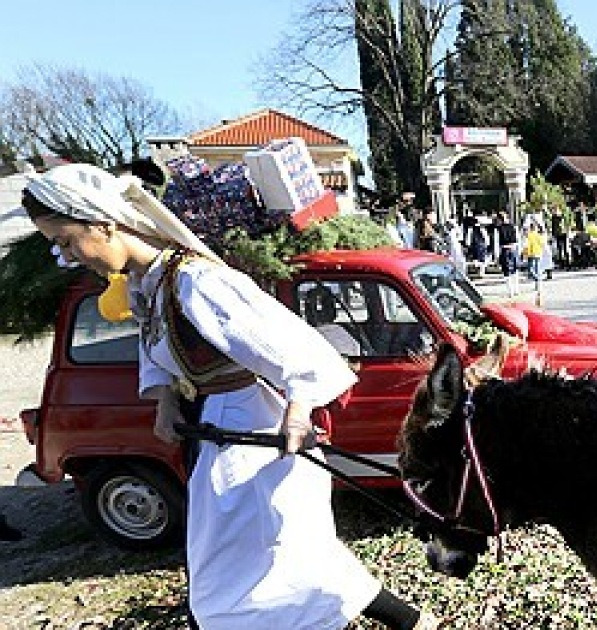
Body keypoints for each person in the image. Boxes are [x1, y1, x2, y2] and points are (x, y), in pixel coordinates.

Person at [21, 164, 437, 630]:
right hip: (219, 434)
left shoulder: (197, 282)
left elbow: (297, 347)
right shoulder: (150, 284)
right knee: (283, 561)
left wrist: (299, 412)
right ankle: (410, 621)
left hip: (253, 440)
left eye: (66, 241)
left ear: (103, 223)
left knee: (252, 573)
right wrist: (166, 400)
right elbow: (160, 348)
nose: (67, 257)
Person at [496, 211, 520, 297]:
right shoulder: (514, 227)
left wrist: (496, 256)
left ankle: (510, 292)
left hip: (504, 250)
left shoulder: (498, 229)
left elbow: (496, 243)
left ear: (499, 219)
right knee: (515, 270)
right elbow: (518, 240)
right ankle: (516, 290)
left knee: (506, 271)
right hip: (514, 249)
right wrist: (519, 251)